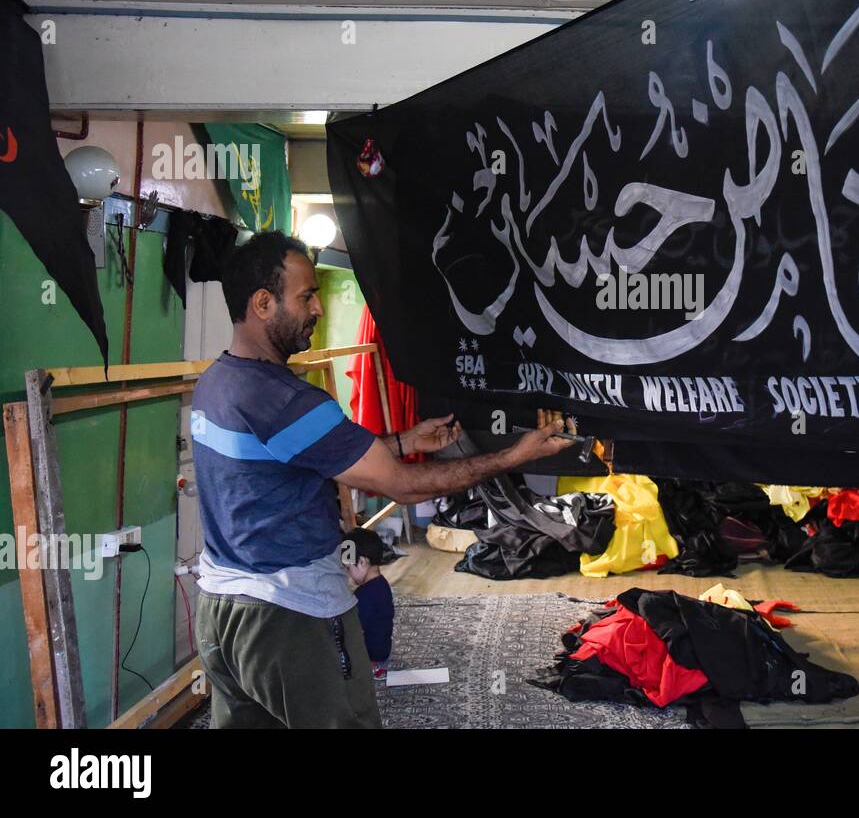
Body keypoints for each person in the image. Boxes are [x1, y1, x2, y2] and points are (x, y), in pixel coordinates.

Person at [192, 230, 574, 728]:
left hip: (221, 609)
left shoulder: (217, 383)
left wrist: (405, 442)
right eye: (307, 296)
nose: (319, 310)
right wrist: (511, 456)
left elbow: (300, 459)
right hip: (286, 617)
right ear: (263, 303)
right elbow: (401, 486)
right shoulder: (287, 400)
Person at [341, 527, 394, 679]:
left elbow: (353, 629)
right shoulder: (382, 584)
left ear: (362, 562)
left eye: (348, 567)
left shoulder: (363, 595)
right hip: (384, 647)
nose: (348, 574)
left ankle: (372, 668)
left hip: (372, 654)